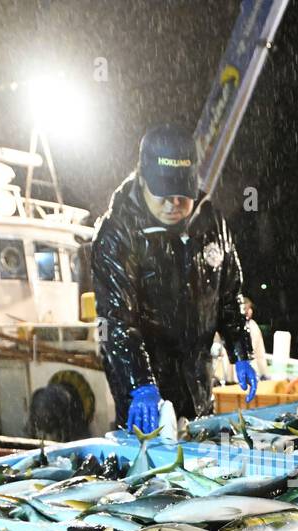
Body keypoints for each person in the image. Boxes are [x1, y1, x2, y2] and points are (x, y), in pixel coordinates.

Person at [92, 124, 258, 434]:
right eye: (163, 193)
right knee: (152, 467)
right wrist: (140, 384)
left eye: (182, 193)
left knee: (199, 461)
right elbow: (116, 321)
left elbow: (228, 296)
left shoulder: (212, 223)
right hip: (144, 391)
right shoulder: (117, 233)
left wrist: (241, 351)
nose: (173, 204)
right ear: (142, 178)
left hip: (197, 383)